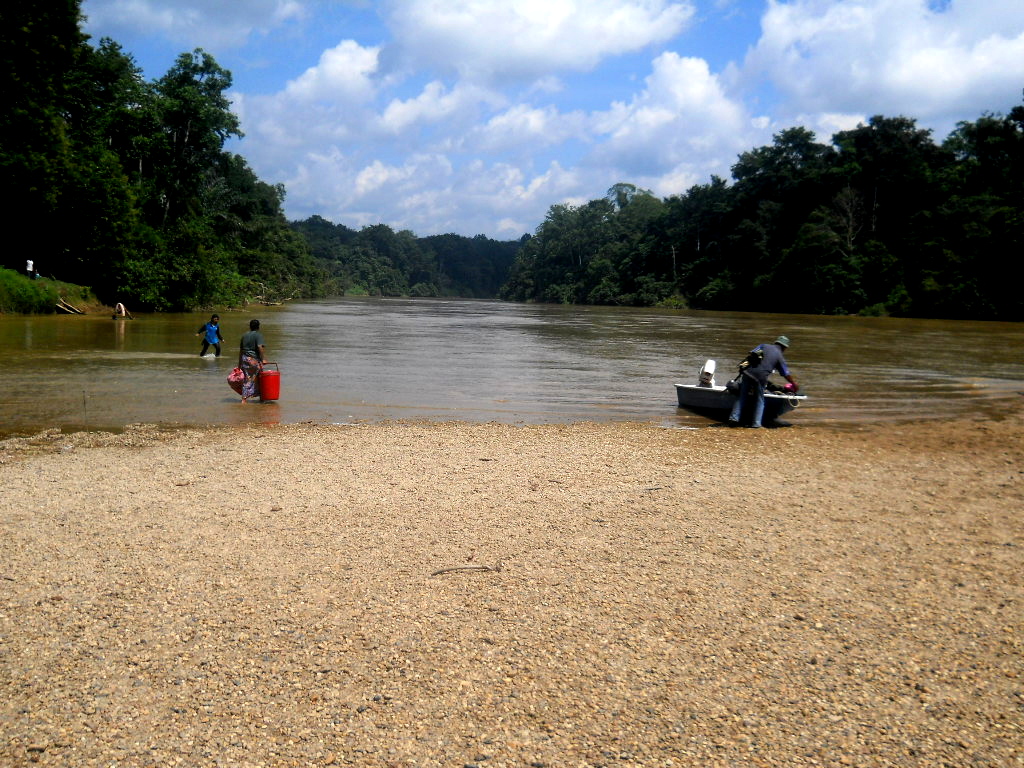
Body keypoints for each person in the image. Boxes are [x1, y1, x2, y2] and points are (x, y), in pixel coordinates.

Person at [728, 335, 798, 428]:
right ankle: (756, 424)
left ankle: (734, 419)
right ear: (785, 347)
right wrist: (794, 383)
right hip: (760, 377)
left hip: (747, 372)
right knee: (760, 400)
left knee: (742, 396)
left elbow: (750, 355)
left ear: (776, 342)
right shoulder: (779, 356)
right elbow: (785, 373)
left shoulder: (763, 346)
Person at [238, 319, 267, 403]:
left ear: (250, 326)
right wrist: (263, 359)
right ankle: (259, 399)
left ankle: (246, 399)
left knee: (249, 378)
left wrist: (239, 364)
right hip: (253, 360)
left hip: (244, 359)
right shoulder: (258, 335)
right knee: (258, 378)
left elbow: (241, 351)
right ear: (258, 327)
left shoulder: (244, 336)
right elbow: (259, 347)